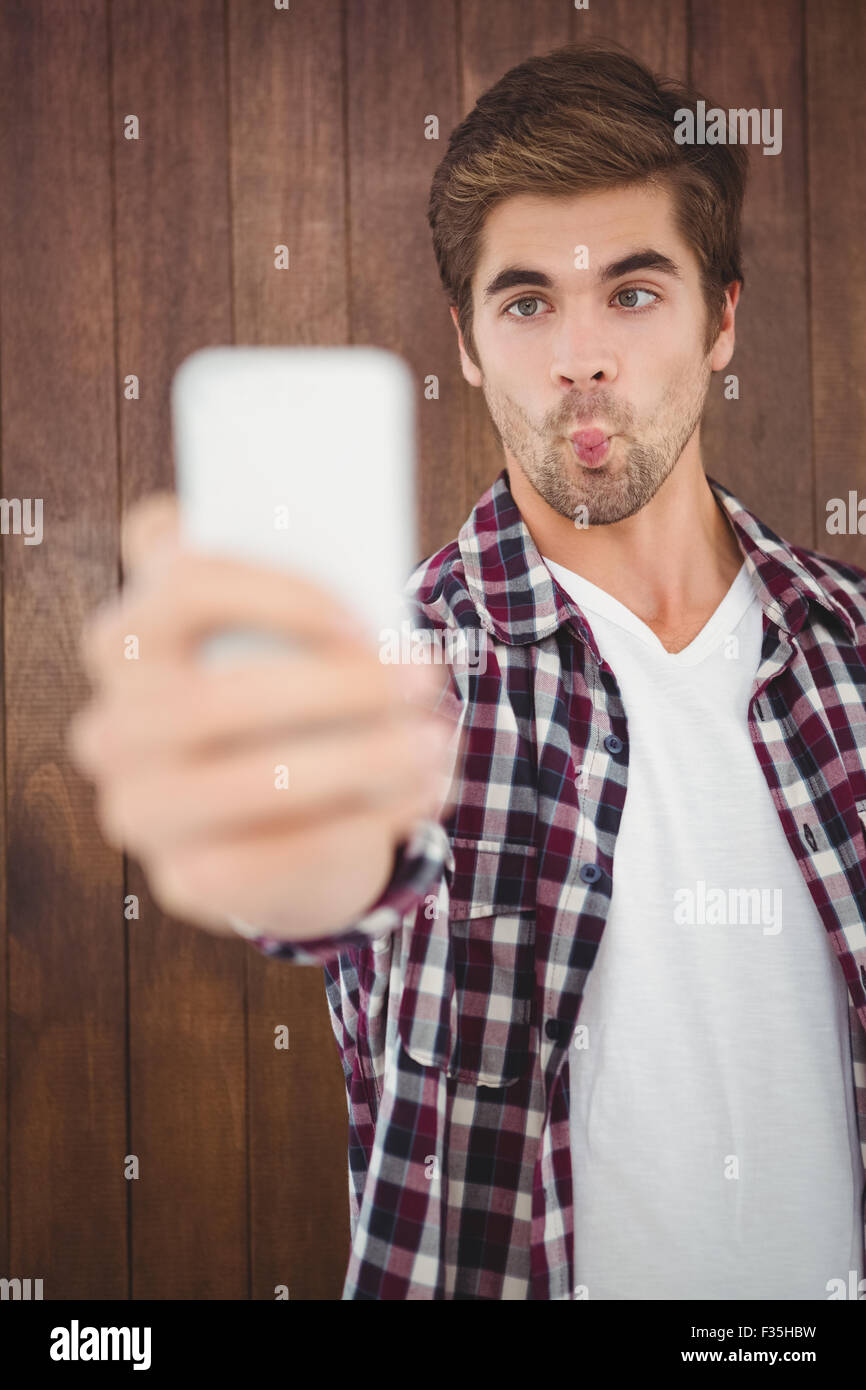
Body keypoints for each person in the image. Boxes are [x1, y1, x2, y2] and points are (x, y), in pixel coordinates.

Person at [68, 40, 866, 1301]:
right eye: (528, 300)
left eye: (636, 293)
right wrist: (287, 841)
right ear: (470, 339)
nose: (579, 358)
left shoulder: (849, 652)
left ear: (721, 321)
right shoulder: (394, 671)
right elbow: (337, 875)